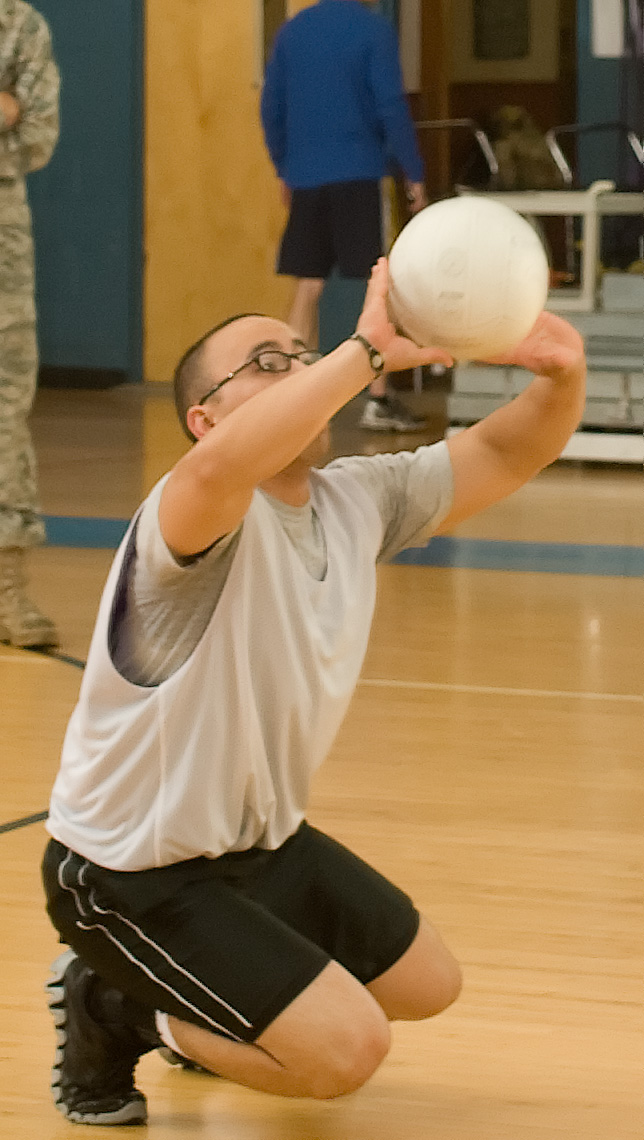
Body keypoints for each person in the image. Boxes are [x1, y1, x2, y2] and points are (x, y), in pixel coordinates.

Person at [42, 257, 586, 1126]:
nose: (297, 368)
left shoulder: (355, 501)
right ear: (204, 418)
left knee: (427, 985)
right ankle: (117, 1008)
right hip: (128, 875)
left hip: (259, 849)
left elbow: (506, 447)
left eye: (300, 353)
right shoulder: (189, 515)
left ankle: (200, 996)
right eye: (265, 362)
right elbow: (220, 474)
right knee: (344, 1054)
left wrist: (562, 375)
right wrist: (364, 351)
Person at [261, 0, 429, 433]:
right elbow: (391, 104)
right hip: (361, 171)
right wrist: (413, 172)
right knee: (379, 283)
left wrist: (285, 166)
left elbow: (271, 107)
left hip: (307, 176)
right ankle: (378, 398)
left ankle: (290, 391)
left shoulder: (293, 32)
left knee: (308, 283)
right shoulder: (372, 29)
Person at [0, 0, 60, 647]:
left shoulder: (21, 25)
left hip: (3, 238)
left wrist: (19, 112)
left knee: (5, 408)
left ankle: (7, 595)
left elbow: (38, 136)